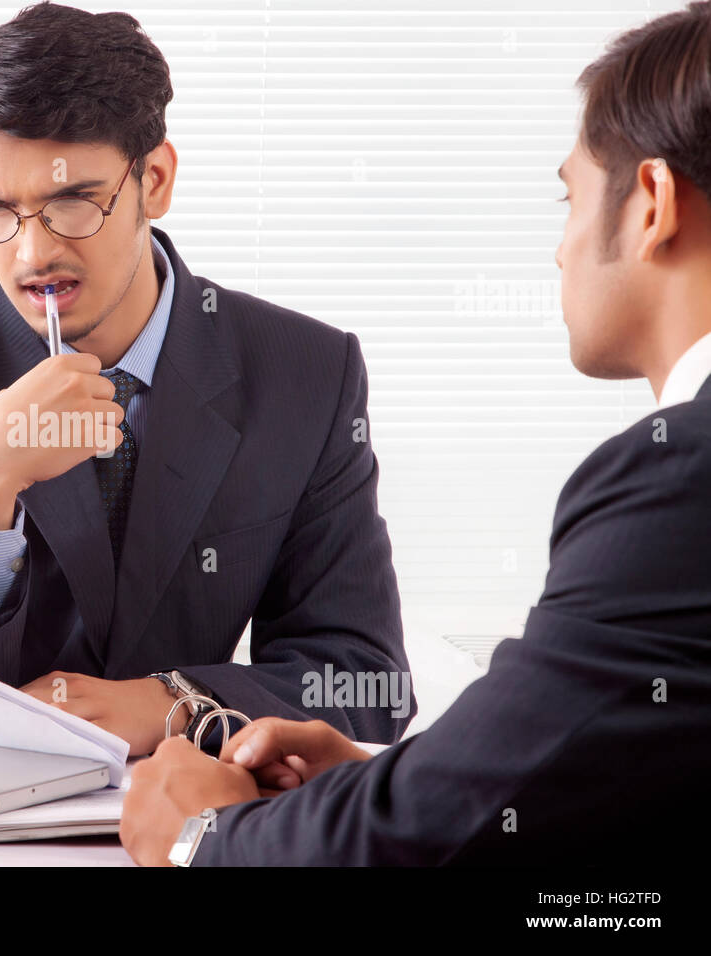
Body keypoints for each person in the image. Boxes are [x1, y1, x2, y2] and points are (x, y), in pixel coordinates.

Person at [120, 1, 711, 864]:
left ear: (651, 202)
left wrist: (204, 837)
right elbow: (608, 779)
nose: (559, 249)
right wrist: (377, 776)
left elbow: (464, 819)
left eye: (569, 194)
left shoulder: (678, 477)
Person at [0, 2, 413, 757]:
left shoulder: (305, 372)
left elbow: (364, 681)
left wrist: (175, 703)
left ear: (155, 181)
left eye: (72, 202)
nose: (32, 253)